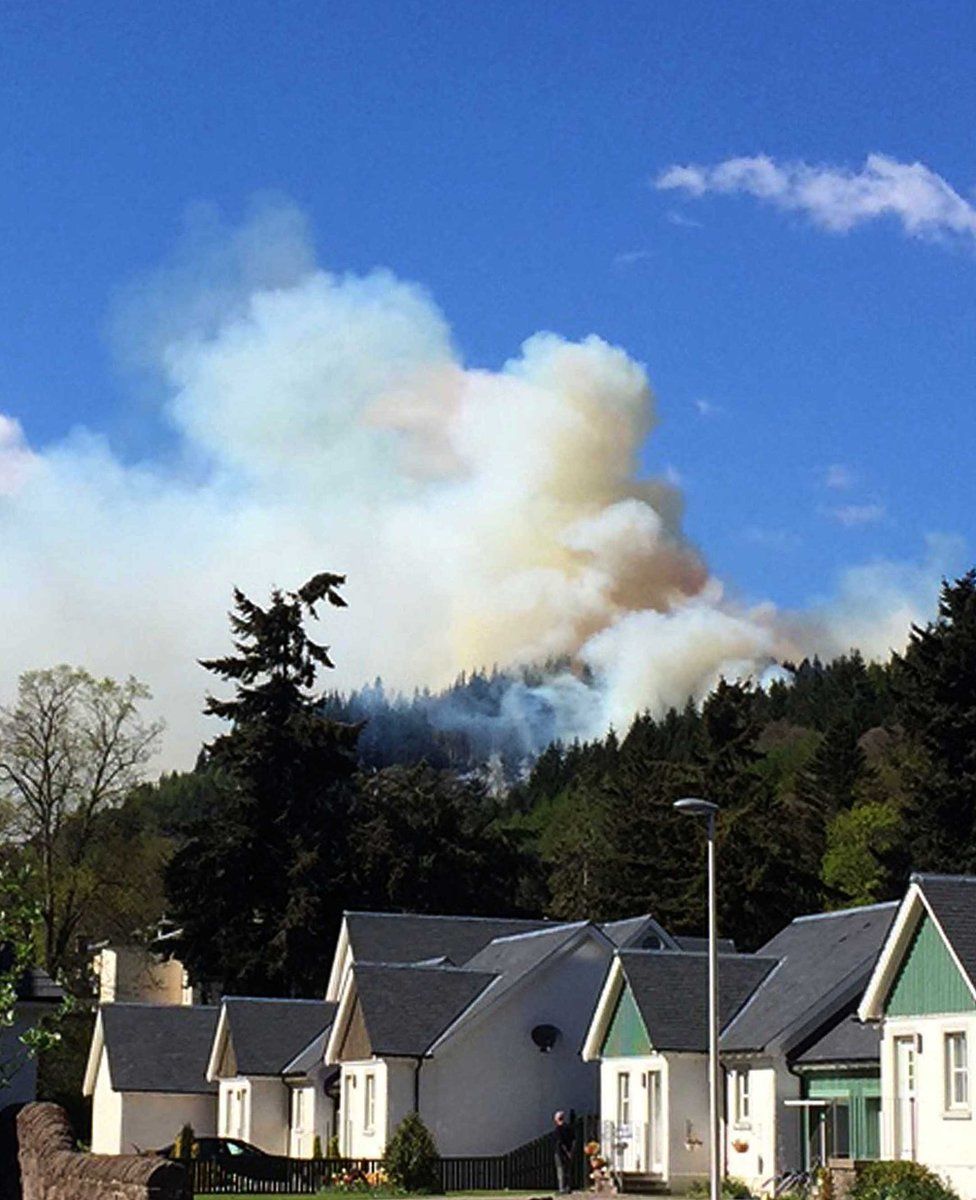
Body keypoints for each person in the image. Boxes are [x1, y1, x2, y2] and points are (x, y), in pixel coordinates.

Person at [553, 1111, 575, 1195]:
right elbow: (573, 1140)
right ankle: (568, 1187)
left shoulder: (558, 1129)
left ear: (557, 1119)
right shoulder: (569, 1128)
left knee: (560, 1170)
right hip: (569, 1151)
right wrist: (571, 1151)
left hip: (560, 1152)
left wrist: (565, 1151)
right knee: (568, 1170)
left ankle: (561, 1188)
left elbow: (560, 1142)